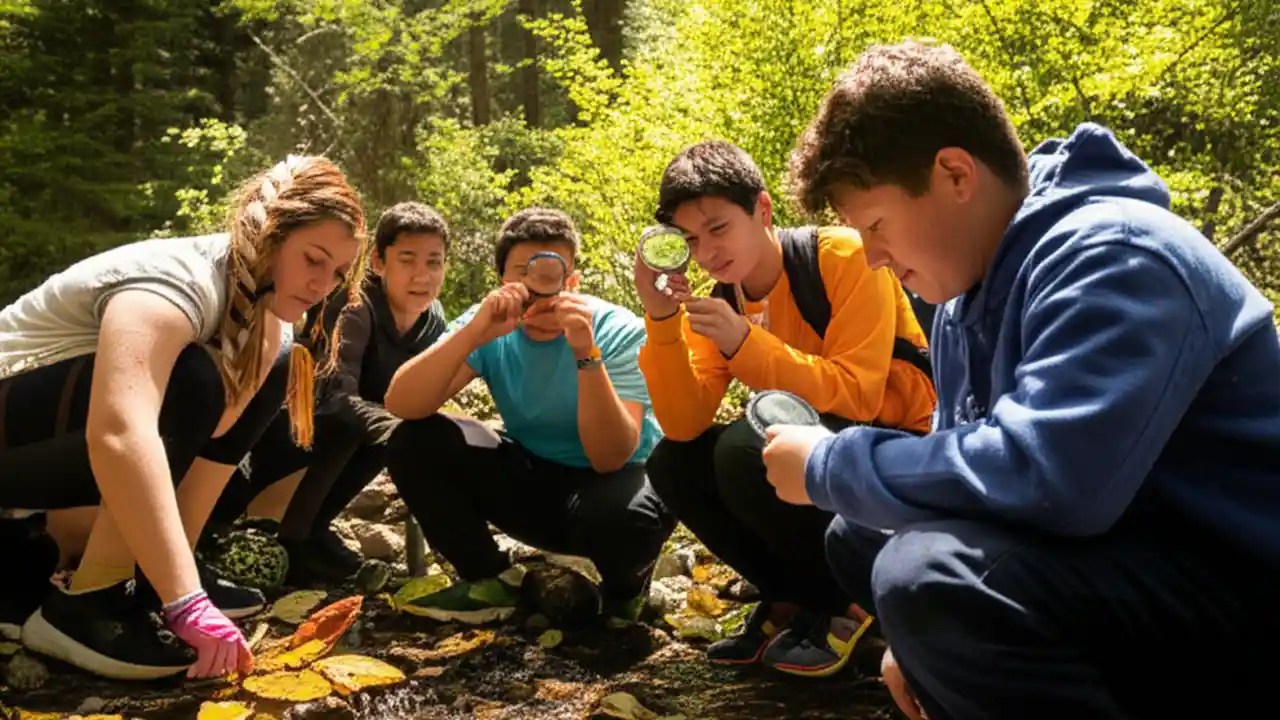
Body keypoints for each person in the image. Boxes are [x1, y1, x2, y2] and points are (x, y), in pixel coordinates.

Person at [768, 39, 1280, 719]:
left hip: (1245, 586)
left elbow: (1055, 481)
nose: (873, 257)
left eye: (876, 225)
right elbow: (966, 482)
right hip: (1142, 558)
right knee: (861, 537)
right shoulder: (963, 301)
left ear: (955, 173)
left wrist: (833, 461)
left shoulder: (1113, 254)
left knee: (924, 574)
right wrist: (915, 647)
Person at [0, 155, 366, 681]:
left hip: (52, 443)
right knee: (190, 375)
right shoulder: (174, 282)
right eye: (313, 259)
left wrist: (171, 574)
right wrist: (186, 601)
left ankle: (150, 573)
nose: (322, 285)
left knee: (277, 359)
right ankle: (87, 601)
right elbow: (121, 432)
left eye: (336, 273)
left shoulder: (268, 321)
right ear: (269, 235)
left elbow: (207, 450)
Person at [634, 140, 936, 678]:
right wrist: (661, 321)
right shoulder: (723, 300)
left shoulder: (843, 256)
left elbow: (860, 394)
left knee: (743, 449)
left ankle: (848, 606)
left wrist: (745, 344)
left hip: (899, 447)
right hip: (812, 447)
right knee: (672, 463)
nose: (707, 252)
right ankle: (791, 600)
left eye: (718, 228)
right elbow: (683, 424)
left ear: (763, 209)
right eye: (690, 241)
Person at [383, 207, 674, 625]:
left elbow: (610, 457)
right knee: (414, 441)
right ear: (504, 281)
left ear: (571, 281)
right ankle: (487, 580)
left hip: (614, 486)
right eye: (524, 274)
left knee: (626, 518)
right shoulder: (492, 322)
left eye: (552, 276)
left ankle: (624, 592)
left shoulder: (615, 330)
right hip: (534, 481)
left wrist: (585, 353)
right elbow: (402, 404)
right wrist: (474, 333)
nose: (540, 292)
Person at [209, 202, 450, 584]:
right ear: (378, 262)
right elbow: (337, 393)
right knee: (356, 424)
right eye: (407, 259)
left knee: (396, 432)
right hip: (281, 430)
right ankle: (286, 539)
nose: (422, 275)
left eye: (434, 262)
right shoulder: (354, 304)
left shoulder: (433, 324)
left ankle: (313, 530)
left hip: (352, 436)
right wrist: (400, 430)